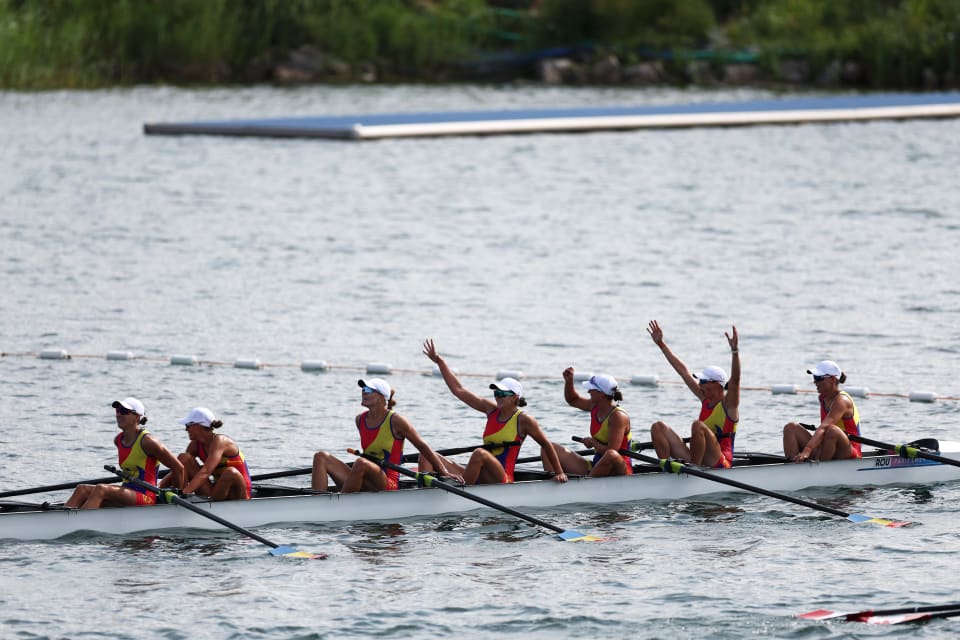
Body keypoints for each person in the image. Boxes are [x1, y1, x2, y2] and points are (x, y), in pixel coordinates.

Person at [422, 339, 567, 484]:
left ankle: (460, 492)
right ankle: (424, 495)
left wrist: (559, 473)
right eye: (496, 393)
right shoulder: (490, 409)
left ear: (515, 397)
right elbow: (459, 390)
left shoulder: (523, 420)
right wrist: (439, 361)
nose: (498, 397)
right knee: (426, 455)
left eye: (503, 394)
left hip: (503, 477)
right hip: (482, 473)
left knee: (479, 453)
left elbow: (546, 444)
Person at [311, 378, 454, 492]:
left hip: (387, 482)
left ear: (380, 397)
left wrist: (444, 472)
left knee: (360, 463)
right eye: (362, 389)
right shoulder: (359, 420)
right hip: (364, 476)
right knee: (321, 457)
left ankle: (337, 505)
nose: (363, 392)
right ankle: (316, 504)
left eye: (367, 390)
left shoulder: (396, 421)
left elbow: (422, 446)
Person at [647, 320, 741, 468]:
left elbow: (735, 380)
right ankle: (664, 469)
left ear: (716, 385)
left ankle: (693, 470)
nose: (700, 384)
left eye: (703, 381)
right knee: (658, 427)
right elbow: (682, 371)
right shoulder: (704, 398)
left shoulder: (729, 405)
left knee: (698, 426)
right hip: (699, 457)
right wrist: (661, 344)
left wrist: (735, 352)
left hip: (720, 461)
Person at [66, 397, 184, 509]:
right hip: (127, 491)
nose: (118, 414)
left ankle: (80, 522)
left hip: (146, 496)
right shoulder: (118, 440)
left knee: (101, 489)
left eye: (123, 411)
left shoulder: (149, 442)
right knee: (81, 489)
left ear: (137, 417)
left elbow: (179, 468)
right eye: (117, 411)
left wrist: (177, 494)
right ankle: (62, 520)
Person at [543, 370, 634, 477]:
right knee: (548, 447)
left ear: (602, 394)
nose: (588, 391)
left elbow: (612, 450)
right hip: (597, 465)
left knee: (611, 454)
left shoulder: (618, 417)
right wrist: (569, 381)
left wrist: (593, 442)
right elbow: (573, 400)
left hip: (619, 468)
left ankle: (587, 485)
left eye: (592, 389)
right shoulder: (594, 406)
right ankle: (553, 483)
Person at [167, 407, 252, 500]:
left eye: (187, 426)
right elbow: (179, 469)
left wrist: (185, 492)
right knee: (184, 458)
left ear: (197, 426)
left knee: (231, 472)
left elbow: (206, 471)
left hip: (239, 494)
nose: (186, 430)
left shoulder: (220, 441)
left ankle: (182, 497)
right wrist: (159, 488)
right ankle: (177, 501)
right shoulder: (195, 445)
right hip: (217, 493)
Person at [783, 360, 861, 462]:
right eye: (814, 378)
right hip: (828, 446)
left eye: (818, 378)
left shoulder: (842, 401)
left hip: (848, 450)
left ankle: (819, 467)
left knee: (831, 430)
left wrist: (807, 450)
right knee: (790, 427)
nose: (815, 382)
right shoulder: (823, 397)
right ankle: (793, 465)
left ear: (832, 379)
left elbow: (824, 427)